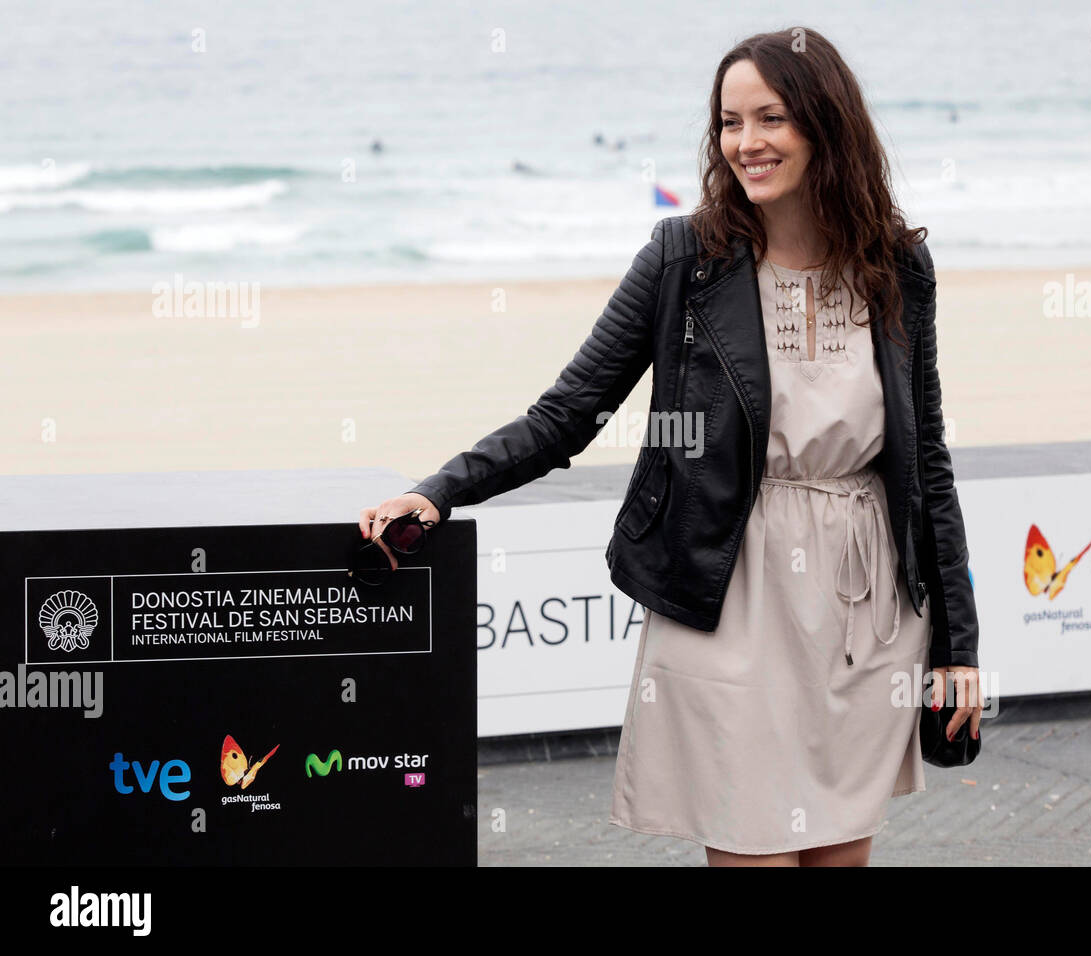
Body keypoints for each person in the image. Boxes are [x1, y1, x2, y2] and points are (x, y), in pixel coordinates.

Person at [360, 26, 981, 868]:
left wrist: (958, 649)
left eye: (771, 118)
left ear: (825, 123)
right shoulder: (684, 259)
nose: (746, 144)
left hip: (864, 603)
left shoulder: (899, 265)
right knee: (751, 846)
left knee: (839, 855)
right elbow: (570, 411)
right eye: (729, 123)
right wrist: (440, 489)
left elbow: (925, 457)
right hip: (724, 584)